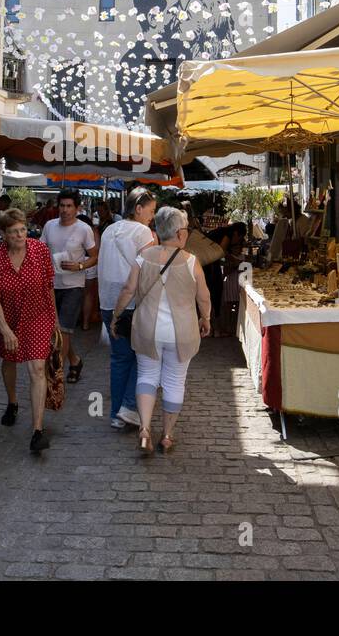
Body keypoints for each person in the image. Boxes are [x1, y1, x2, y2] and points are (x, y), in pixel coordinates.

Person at [112, 206, 211, 455]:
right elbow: (204, 296)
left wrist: (116, 315)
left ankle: (145, 429)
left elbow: (128, 290)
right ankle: (167, 436)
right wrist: (206, 318)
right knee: (174, 381)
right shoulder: (191, 261)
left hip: (148, 329)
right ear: (180, 233)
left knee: (146, 376)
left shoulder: (143, 257)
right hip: (182, 332)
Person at [0, 208, 57, 452]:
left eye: (23, 230)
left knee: (37, 368)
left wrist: (54, 320)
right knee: (9, 359)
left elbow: (49, 286)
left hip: (38, 314)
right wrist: (5, 329)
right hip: (7, 315)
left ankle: (37, 430)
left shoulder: (40, 250)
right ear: (3, 234)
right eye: (14, 232)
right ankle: (12, 402)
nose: (20, 235)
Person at [97, 189, 157, 429]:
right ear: (138, 208)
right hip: (131, 302)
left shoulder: (110, 229)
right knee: (144, 357)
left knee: (119, 358)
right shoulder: (143, 232)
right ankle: (130, 407)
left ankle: (116, 414)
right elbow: (147, 270)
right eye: (151, 211)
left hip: (107, 302)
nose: (152, 216)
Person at [40, 189, 96, 383]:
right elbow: (41, 250)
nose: (64, 210)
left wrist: (79, 265)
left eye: (69, 206)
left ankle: (56, 375)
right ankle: (75, 360)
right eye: (62, 205)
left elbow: (95, 256)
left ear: (77, 208)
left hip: (74, 285)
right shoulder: (49, 226)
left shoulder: (84, 229)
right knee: (62, 330)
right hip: (51, 285)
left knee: (63, 330)